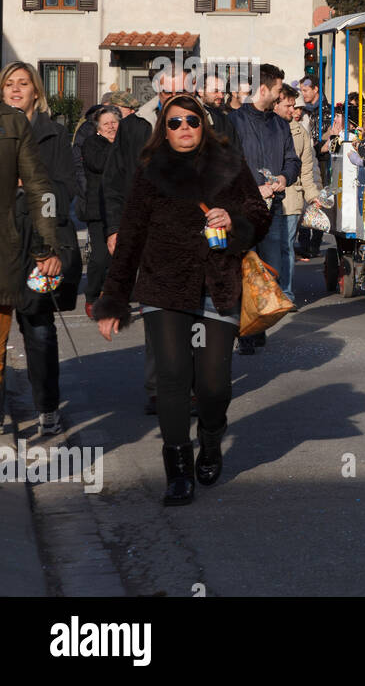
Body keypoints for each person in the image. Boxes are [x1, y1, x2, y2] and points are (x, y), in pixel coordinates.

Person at [94, 95, 270, 506]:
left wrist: (233, 220)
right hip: (163, 286)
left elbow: (259, 215)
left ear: (203, 124)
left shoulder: (229, 163)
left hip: (217, 285)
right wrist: (114, 298)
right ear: (163, 129)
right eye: (175, 123)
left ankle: (210, 438)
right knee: (172, 379)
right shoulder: (149, 171)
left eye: (192, 120)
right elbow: (132, 234)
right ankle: (178, 472)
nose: (184, 128)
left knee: (212, 385)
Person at [2, 62, 82, 435]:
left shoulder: (53, 135)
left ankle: (47, 406)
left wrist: (33, 184)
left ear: (37, 91)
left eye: (23, 83)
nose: (16, 89)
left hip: (38, 245)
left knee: (37, 330)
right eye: (8, 84)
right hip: (4, 243)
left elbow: (66, 190)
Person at [228, 63, 300, 355]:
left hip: (275, 209)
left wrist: (285, 177)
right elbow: (227, 164)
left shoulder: (281, 125)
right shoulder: (233, 122)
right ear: (264, 89)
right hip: (243, 208)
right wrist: (250, 188)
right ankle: (245, 330)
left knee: (272, 271)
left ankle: (259, 321)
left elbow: (291, 161)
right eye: (279, 89)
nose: (281, 95)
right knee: (246, 272)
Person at [275, 84, 323, 292]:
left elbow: (307, 170)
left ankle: (285, 293)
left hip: (292, 198)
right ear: (276, 104)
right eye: (290, 106)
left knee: (286, 247)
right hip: (265, 197)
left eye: (296, 107)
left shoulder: (300, 132)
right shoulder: (267, 127)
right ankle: (267, 292)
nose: (294, 111)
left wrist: (313, 196)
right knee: (269, 247)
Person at [80, 105, 120, 317]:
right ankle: (92, 295)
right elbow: (99, 163)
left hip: (122, 207)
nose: (111, 127)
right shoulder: (91, 144)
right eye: (107, 124)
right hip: (98, 208)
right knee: (100, 257)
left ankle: (113, 295)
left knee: (121, 256)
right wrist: (118, 147)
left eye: (114, 122)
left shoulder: (126, 143)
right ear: (98, 128)